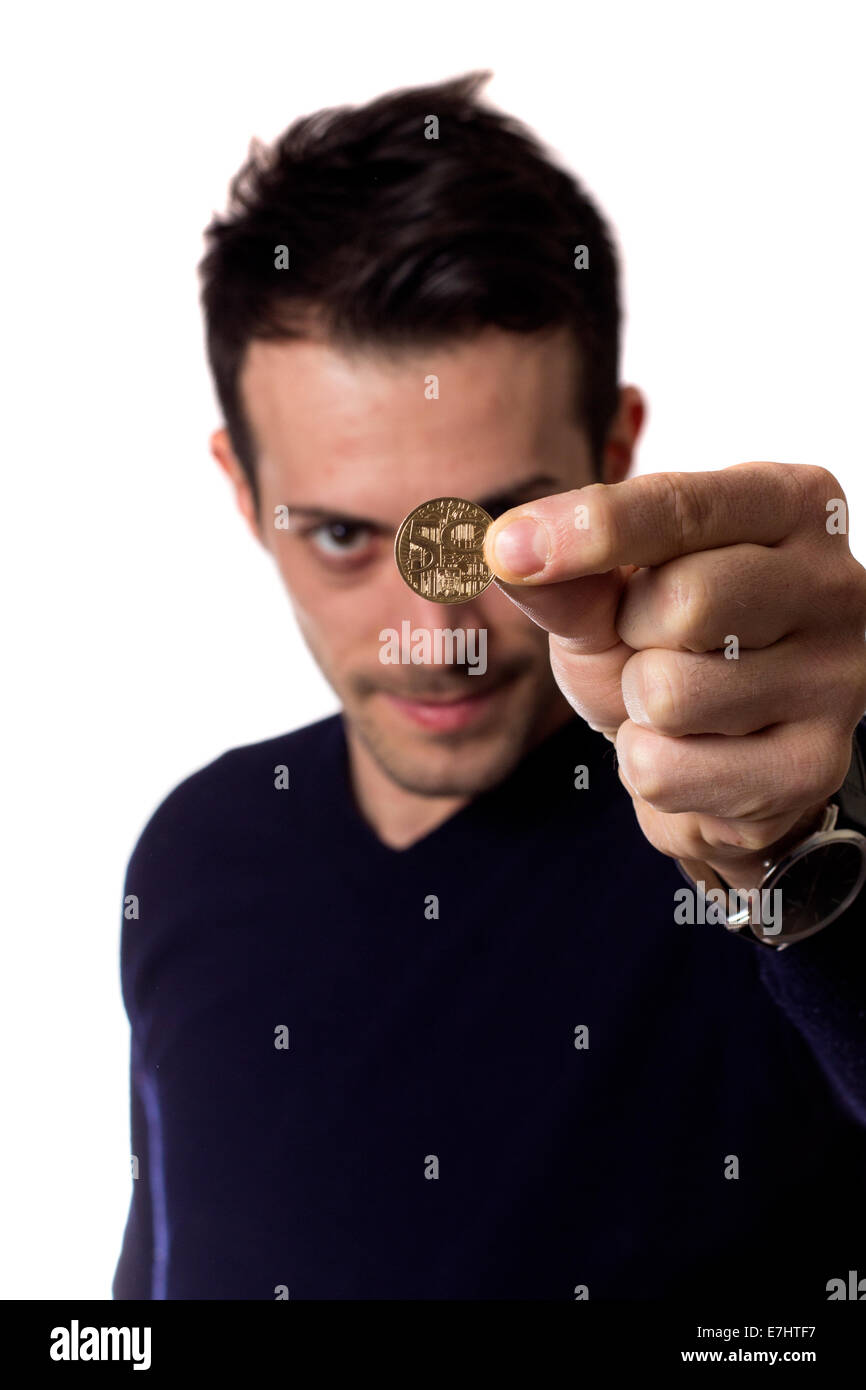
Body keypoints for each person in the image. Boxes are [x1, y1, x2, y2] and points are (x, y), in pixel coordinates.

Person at [112, 71, 866, 1300]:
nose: (434, 627)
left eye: (498, 528)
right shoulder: (195, 852)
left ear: (613, 456)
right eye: (348, 537)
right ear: (244, 495)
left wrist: (810, 837)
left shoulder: (751, 819)